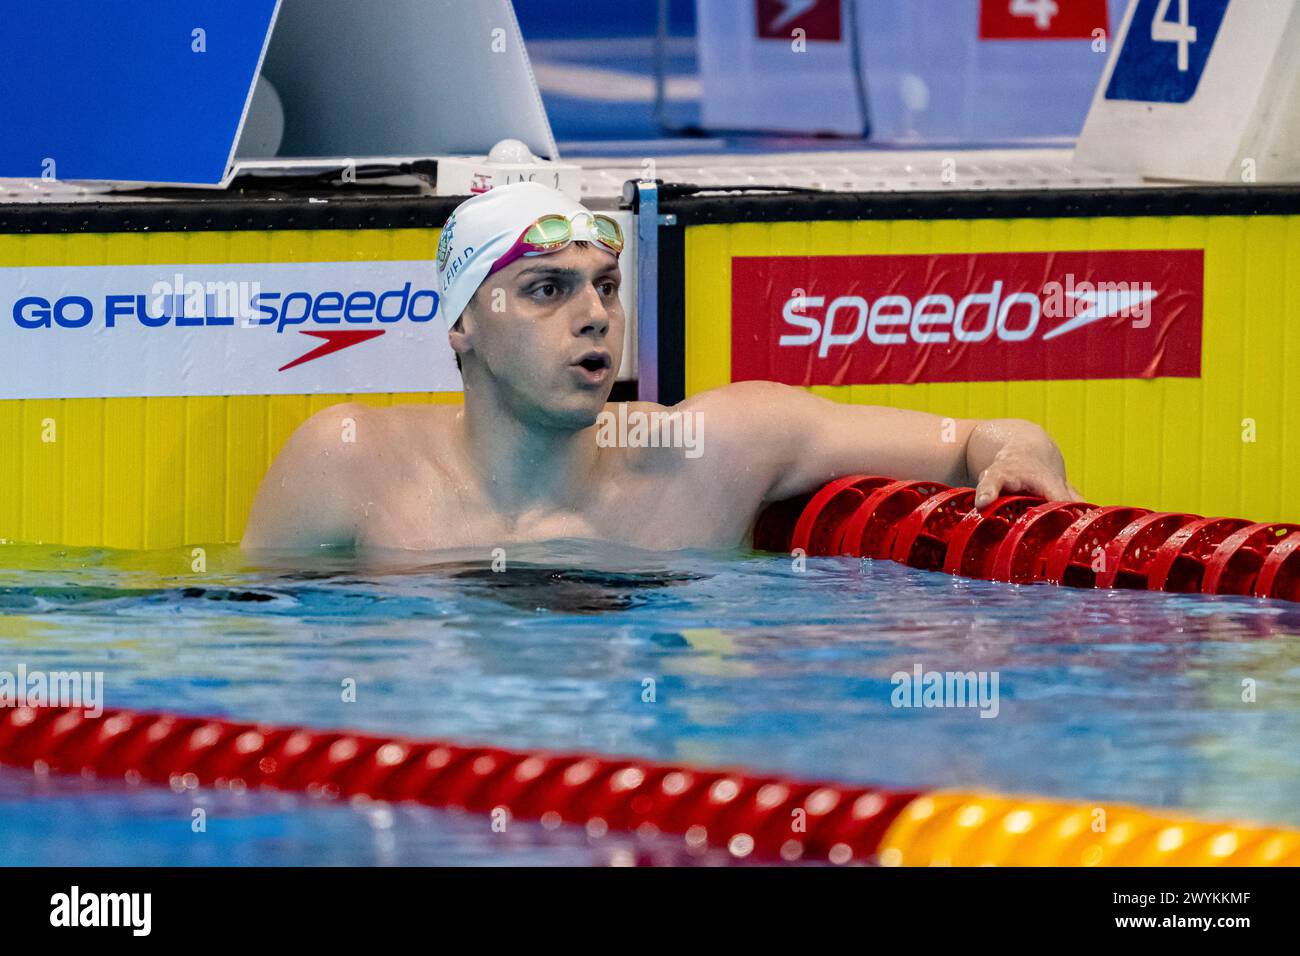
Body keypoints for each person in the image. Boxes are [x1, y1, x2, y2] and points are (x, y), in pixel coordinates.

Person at [242, 182, 1079, 552]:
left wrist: (1018, 451)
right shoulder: (354, 463)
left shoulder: (710, 452)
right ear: (466, 327)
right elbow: (255, 665)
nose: (594, 314)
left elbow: (976, 436)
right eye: (546, 290)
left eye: (604, 286)